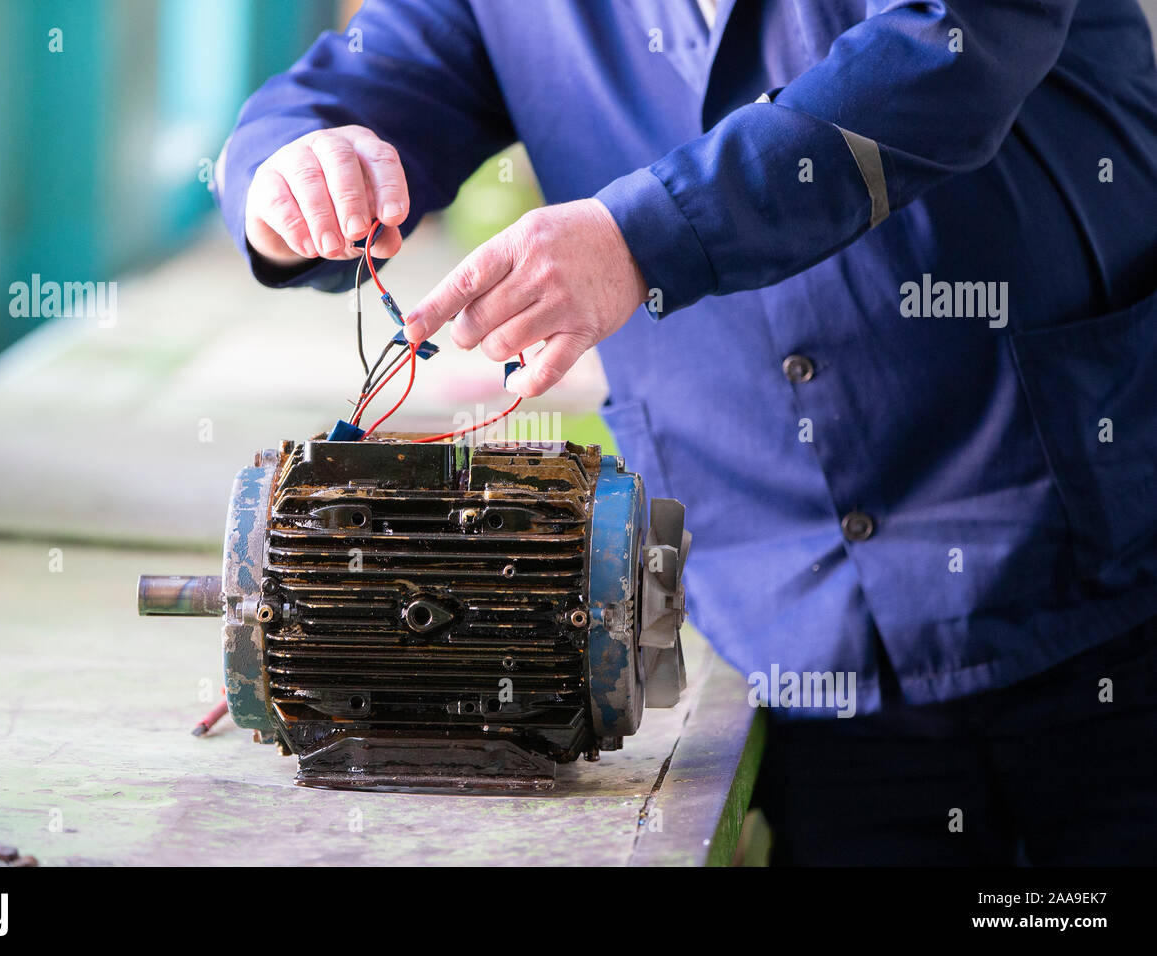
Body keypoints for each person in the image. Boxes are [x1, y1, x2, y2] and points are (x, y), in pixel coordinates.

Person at [212, 0, 1157, 864]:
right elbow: (354, 84)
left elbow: (946, 55)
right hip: (784, 618)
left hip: (1086, 552)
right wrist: (290, 172)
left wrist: (641, 236)